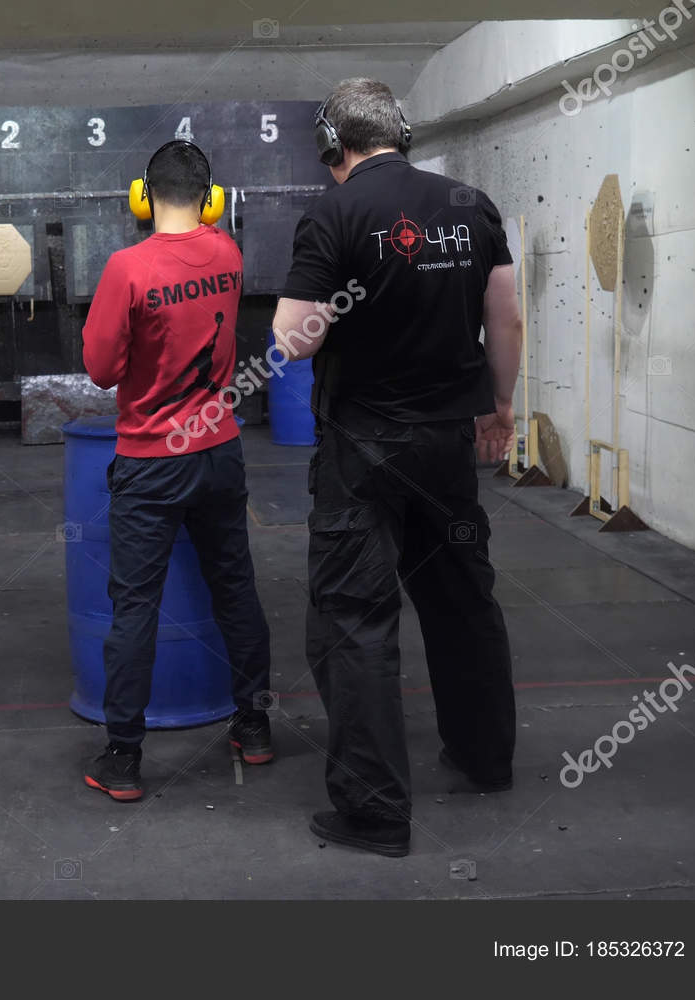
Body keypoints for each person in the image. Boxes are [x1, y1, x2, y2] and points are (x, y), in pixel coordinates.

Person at [273, 79, 524, 857]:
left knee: (355, 624)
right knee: (461, 601)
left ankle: (376, 815)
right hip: (447, 442)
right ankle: (485, 759)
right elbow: (506, 315)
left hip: (364, 450)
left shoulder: (334, 213)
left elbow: (294, 339)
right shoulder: (470, 205)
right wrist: (500, 404)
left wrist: (337, 305)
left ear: (333, 146)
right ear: (401, 133)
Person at [80, 139, 274, 802]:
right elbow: (204, 247)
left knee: (135, 606)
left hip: (151, 461)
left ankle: (124, 757)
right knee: (237, 589)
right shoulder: (227, 253)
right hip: (219, 450)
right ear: (211, 199)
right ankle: (254, 725)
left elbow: (102, 370)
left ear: (143, 196)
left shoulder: (125, 268)